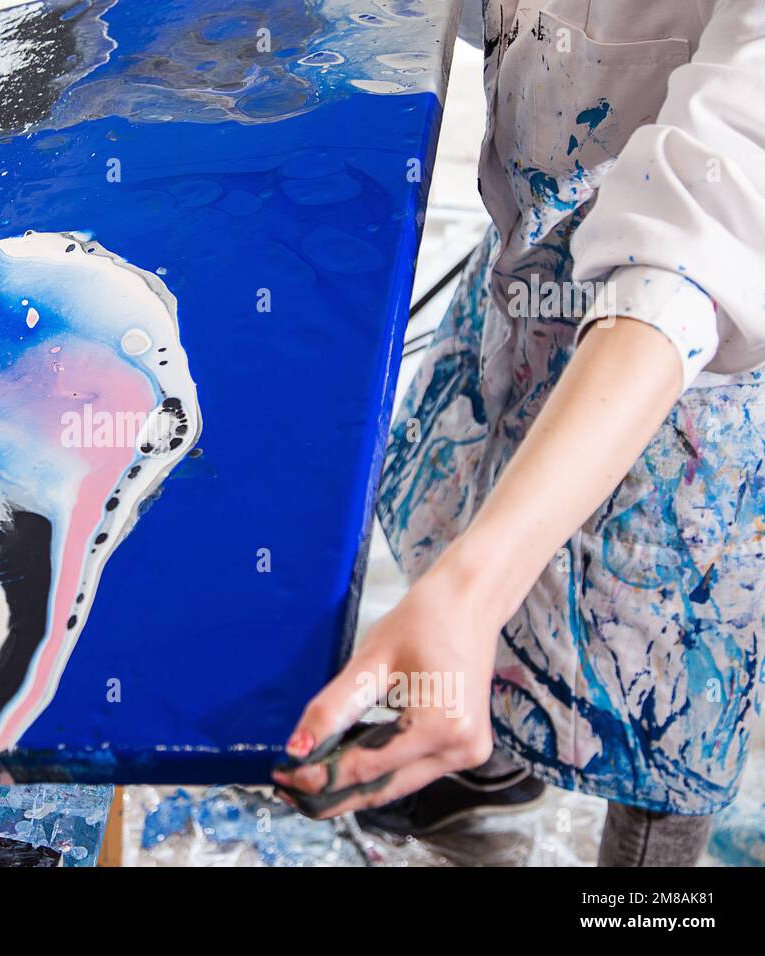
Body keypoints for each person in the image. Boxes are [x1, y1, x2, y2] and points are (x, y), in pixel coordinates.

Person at [273, 0, 765, 866]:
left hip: (693, 385)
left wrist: (471, 591)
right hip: (535, 274)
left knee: (652, 710)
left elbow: (702, 241)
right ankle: (494, 764)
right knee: (477, 533)